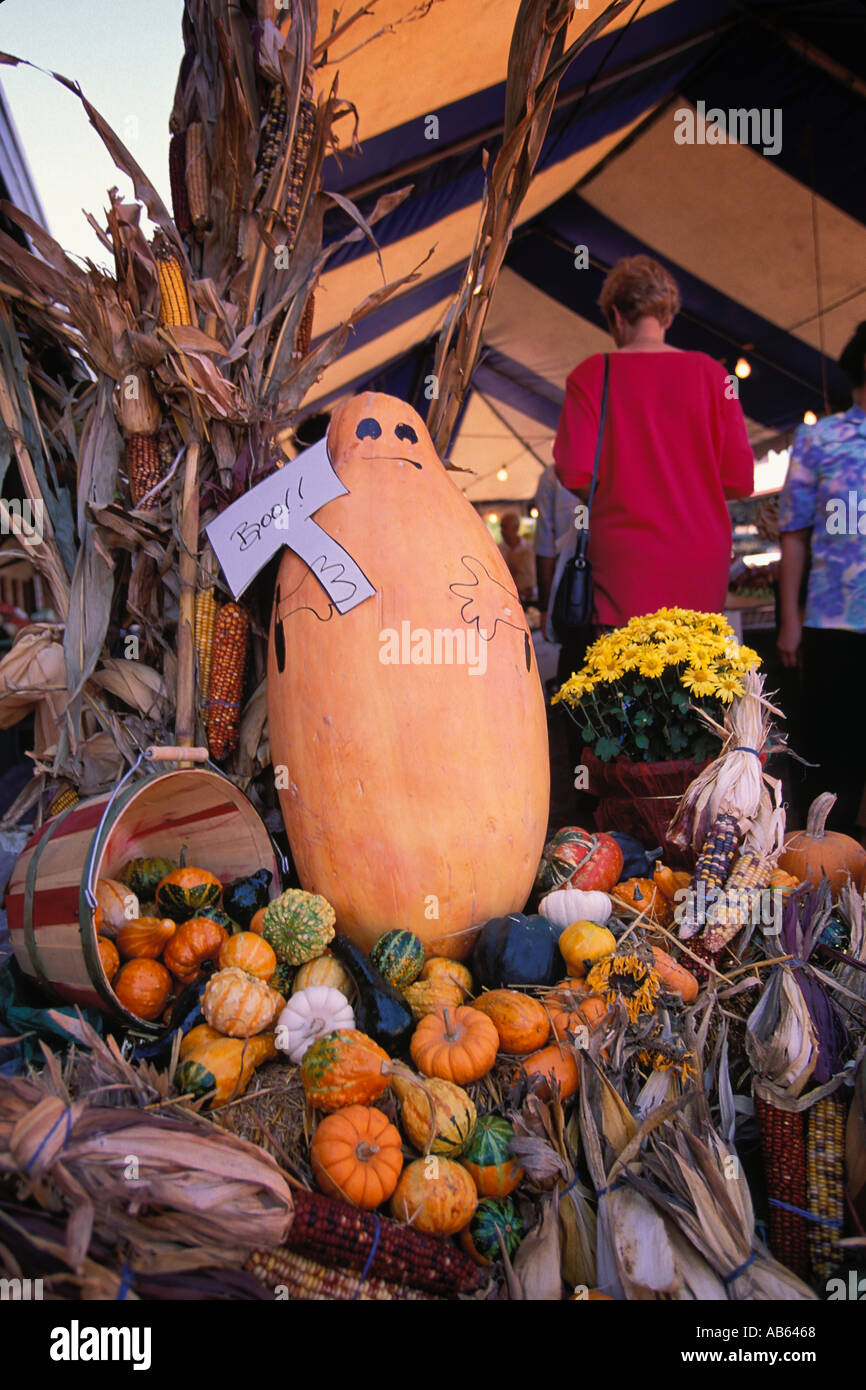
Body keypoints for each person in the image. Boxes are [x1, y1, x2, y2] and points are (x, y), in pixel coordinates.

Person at [553, 255, 755, 628]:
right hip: (701, 558)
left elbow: (575, 471)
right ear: (668, 316)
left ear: (615, 315)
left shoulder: (593, 374)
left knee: (623, 674)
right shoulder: (714, 375)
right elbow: (739, 479)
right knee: (694, 673)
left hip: (625, 563)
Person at [777, 321, 866, 836]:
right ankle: (822, 870)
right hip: (834, 625)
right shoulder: (820, 439)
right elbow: (793, 533)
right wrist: (790, 617)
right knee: (829, 760)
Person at [499, 511, 535, 603]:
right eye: (501, 527)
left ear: (516, 528)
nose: (502, 530)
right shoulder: (497, 551)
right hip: (506, 600)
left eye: (505, 527)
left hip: (531, 599)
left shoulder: (531, 548)